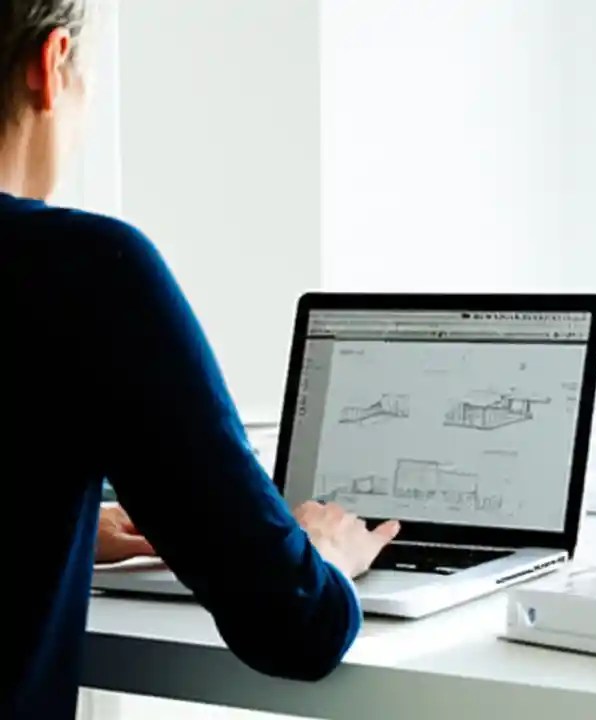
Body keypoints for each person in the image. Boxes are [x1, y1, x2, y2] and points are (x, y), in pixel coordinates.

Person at [0, 2, 400, 717]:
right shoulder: (84, 269)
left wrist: (57, 524)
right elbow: (293, 624)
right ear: (51, 66)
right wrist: (325, 555)